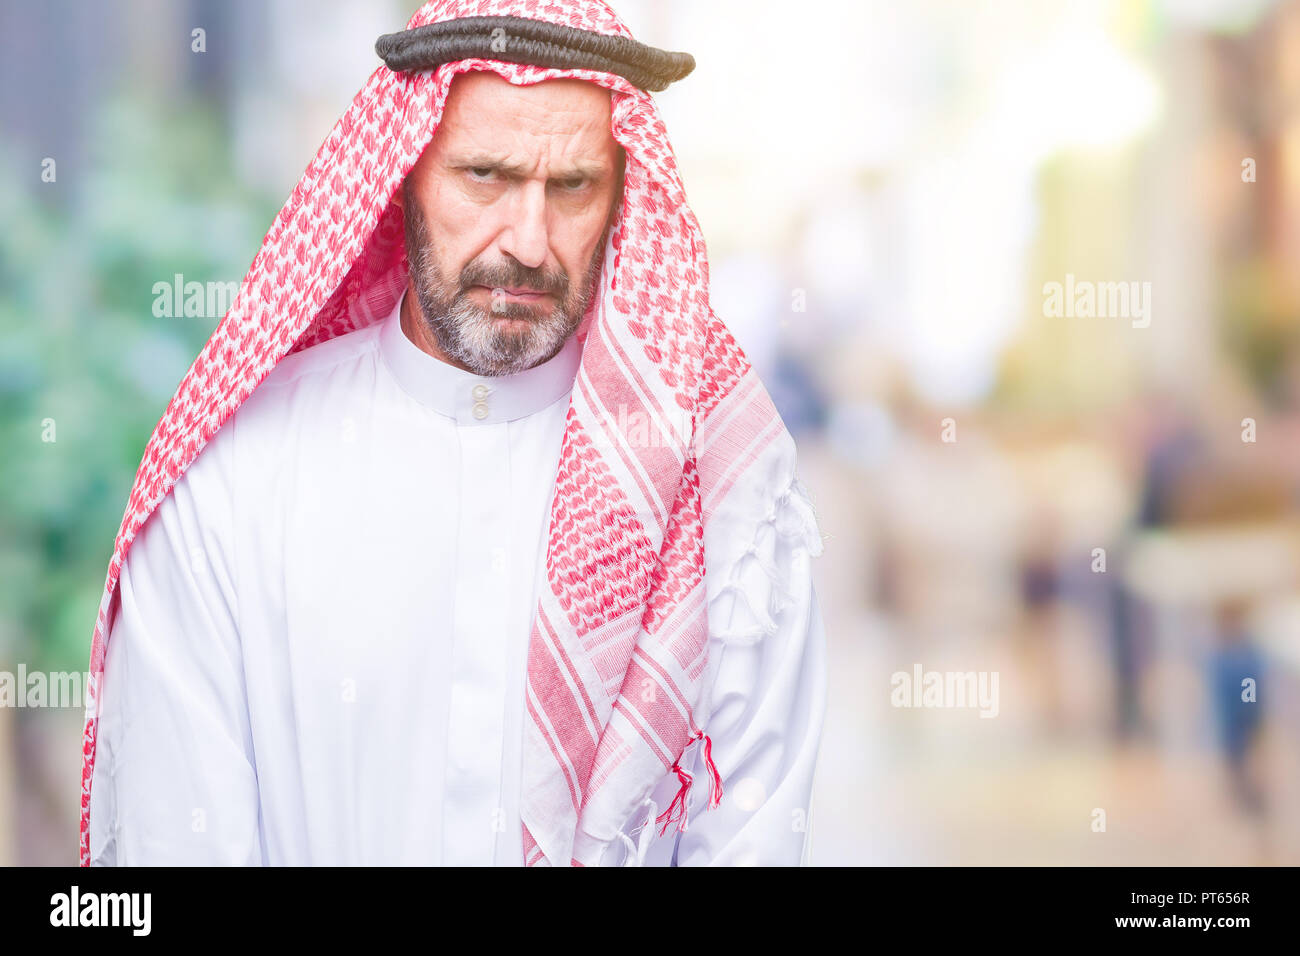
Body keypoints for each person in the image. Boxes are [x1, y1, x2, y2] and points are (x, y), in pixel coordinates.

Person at [81, 0, 827, 867]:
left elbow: (752, 837)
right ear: (405, 174)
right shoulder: (233, 479)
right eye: (484, 175)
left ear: (623, 196)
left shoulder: (729, 499)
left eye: (573, 187)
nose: (528, 241)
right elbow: (177, 838)